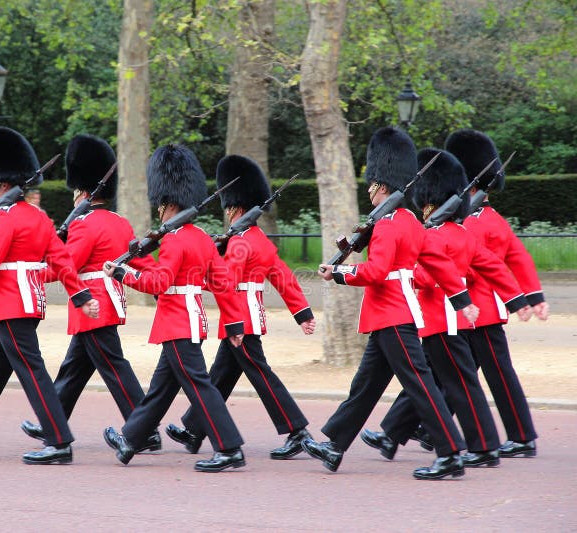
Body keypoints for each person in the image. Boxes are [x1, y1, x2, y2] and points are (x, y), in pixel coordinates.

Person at [308, 127, 478, 480]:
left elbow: (375, 271)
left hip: (392, 315)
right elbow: (438, 263)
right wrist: (462, 300)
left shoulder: (386, 224)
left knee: (419, 384)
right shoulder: (412, 221)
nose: (368, 189)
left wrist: (338, 273)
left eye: (371, 184)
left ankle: (449, 453)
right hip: (390, 316)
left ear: (381, 186)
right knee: (366, 386)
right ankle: (335, 446)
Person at [0, 126, 99, 465]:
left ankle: (58, 441)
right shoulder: (38, 217)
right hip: (29, 300)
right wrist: (80, 296)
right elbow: (63, 261)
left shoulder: (4, 217)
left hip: (10, 301)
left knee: (32, 372)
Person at [360, 148, 532, 468]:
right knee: (461, 385)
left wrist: (406, 275)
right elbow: (492, 266)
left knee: (456, 387)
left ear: (429, 204)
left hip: (440, 319)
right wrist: (517, 299)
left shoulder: (436, 236)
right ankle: (482, 445)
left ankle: (470, 448)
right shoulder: (463, 233)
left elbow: (431, 276)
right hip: (456, 320)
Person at [101, 143, 248, 473]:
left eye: (160, 204)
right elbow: (222, 283)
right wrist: (235, 324)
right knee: (160, 390)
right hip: (187, 318)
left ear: (166, 202)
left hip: (178, 321)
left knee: (199, 387)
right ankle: (130, 440)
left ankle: (229, 448)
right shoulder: (199, 237)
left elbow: (159, 284)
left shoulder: (174, 239)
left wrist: (123, 273)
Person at [165, 154, 317, 460]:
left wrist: (196, 278)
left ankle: (297, 430)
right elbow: (284, 277)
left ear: (234, 208)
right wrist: (302, 313)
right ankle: (195, 430)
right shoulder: (258, 238)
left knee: (261, 375)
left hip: (240, 319)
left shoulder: (239, 242)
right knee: (219, 376)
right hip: (249, 316)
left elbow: (226, 280)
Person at [19, 134, 160, 452]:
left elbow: (65, 266)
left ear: (82, 192)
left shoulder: (84, 224)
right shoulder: (119, 222)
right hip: (107, 301)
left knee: (114, 368)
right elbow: (143, 260)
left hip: (92, 304)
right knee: (74, 369)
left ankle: (145, 429)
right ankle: (50, 422)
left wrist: (29, 274)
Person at [446, 129, 549, 458]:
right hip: (475, 310)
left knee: (495, 375)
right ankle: (424, 425)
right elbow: (520, 257)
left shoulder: (475, 223)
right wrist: (533, 295)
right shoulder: (491, 219)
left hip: (479, 311)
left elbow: (477, 265)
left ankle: (521, 436)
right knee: (455, 371)